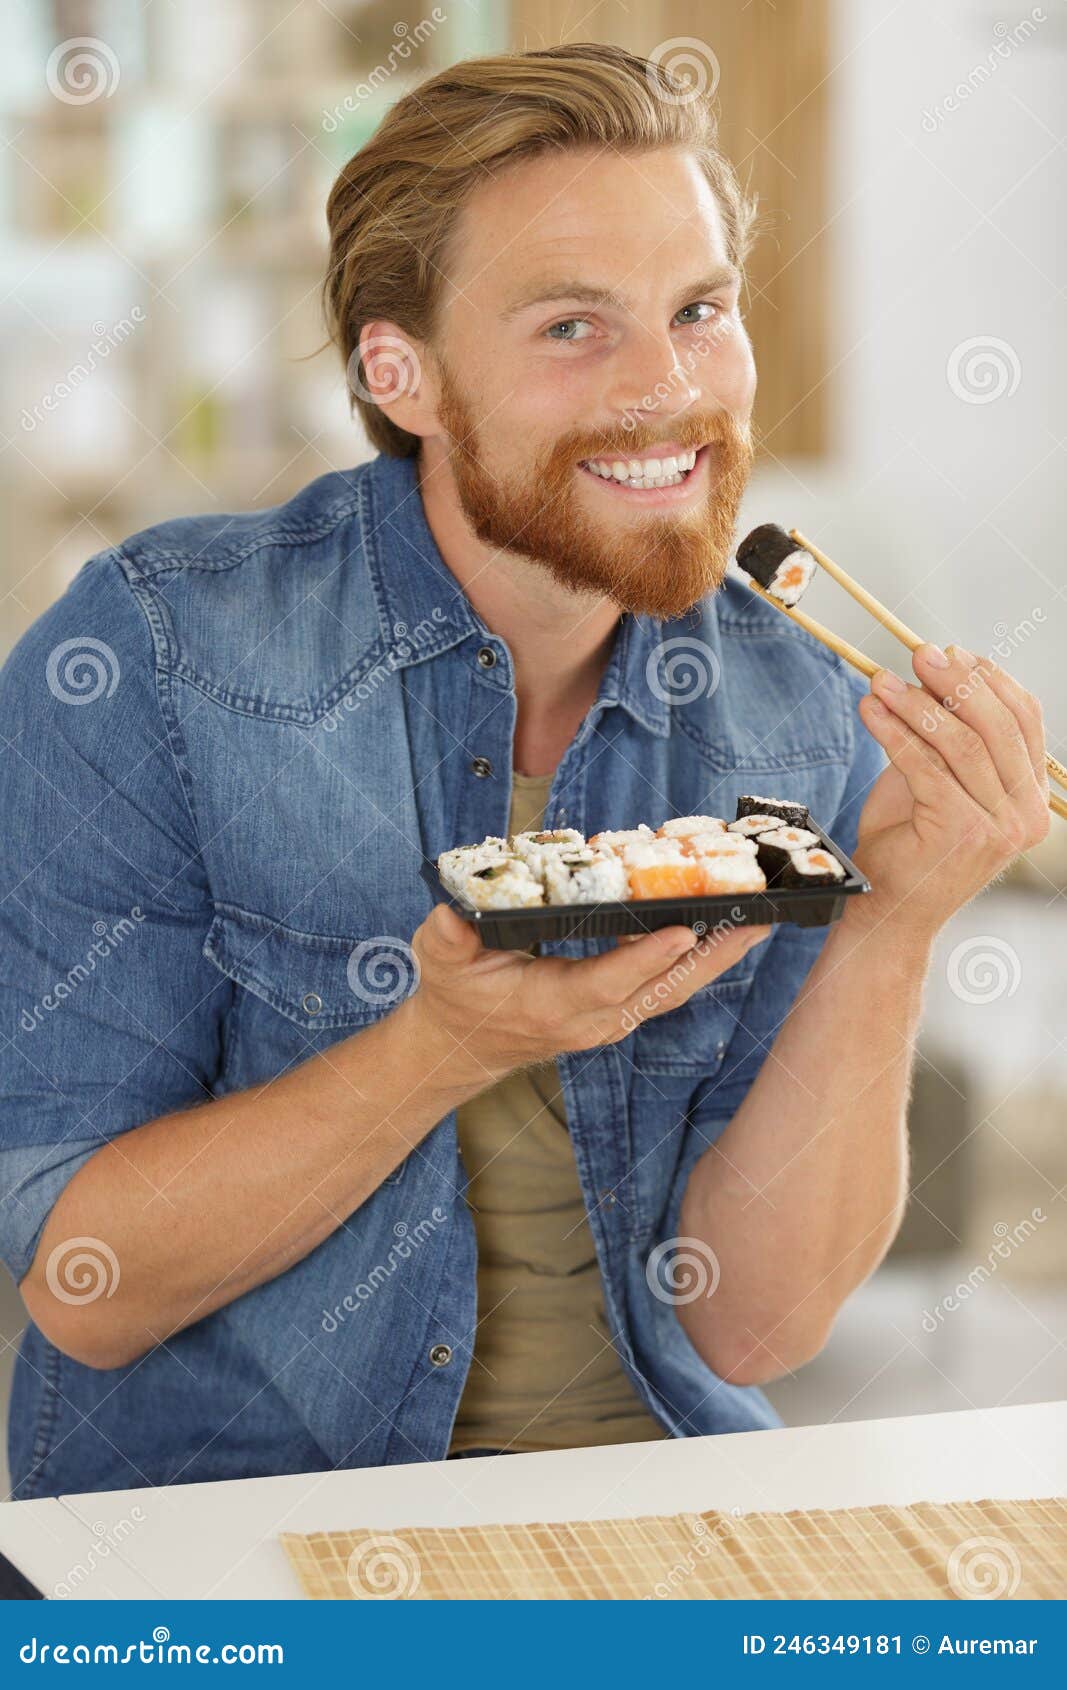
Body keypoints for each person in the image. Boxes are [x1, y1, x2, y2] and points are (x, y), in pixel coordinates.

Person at [0, 44, 1048, 1500]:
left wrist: (895, 920)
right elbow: (84, 1284)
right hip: (240, 1531)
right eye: (574, 327)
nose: (671, 390)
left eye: (700, 310)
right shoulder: (158, 657)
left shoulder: (799, 693)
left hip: (662, 1502)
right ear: (400, 372)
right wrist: (444, 1045)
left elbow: (750, 1324)